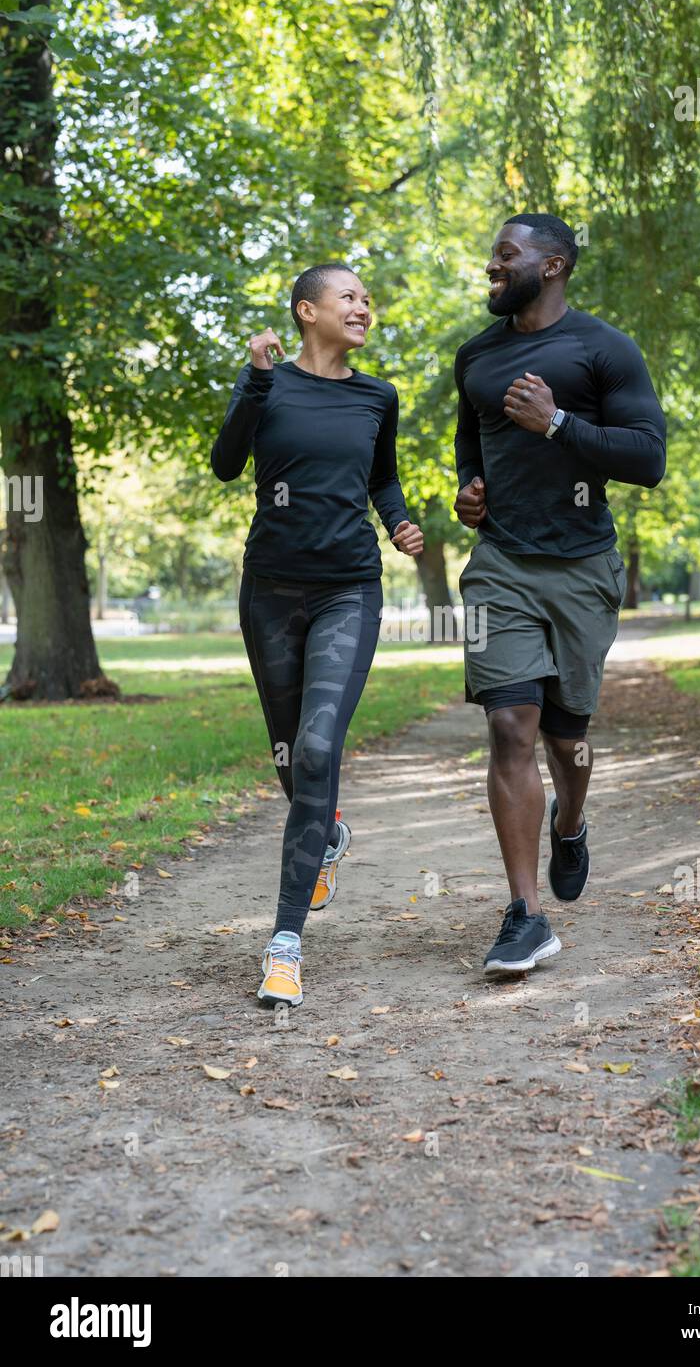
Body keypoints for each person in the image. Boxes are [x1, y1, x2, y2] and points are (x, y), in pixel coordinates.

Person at [453, 213, 666, 977]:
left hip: (582, 567)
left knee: (565, 741)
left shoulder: (604, 349)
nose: (492, 264)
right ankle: (524, 916)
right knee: (511, 724)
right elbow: (469, 452)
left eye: (506, 254)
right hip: (500, 565)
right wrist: (466, 495)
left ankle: (568, 823)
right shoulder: (474, 358)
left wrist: (559, 424)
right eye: (492, 253)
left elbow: (647, 459)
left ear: (553, 266)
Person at [211, 263, 423, 1008]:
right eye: (349, 297)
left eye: (367, 298)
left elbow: (381, 479)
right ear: (307, 311)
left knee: (318, 748)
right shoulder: (269, 385)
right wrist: (253, 378)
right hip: (269, 591)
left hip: (348, 589)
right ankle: (327, 832)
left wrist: (398, 520)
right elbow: (225, 462)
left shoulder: (377, 396)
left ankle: (284, 944)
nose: (363, 306)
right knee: (290, 757)